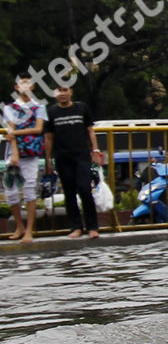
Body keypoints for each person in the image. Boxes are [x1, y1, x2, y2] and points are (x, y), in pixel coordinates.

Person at [43, 84, 103, 239]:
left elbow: (90, 131)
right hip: (62, 157)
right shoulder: (51, 112)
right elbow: (48, 137)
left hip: (81, 156)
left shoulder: (81, 108)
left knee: (85, 189)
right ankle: (76, 227)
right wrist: (48, 160)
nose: (62, 94)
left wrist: (95, 150)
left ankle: (92, 226)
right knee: (69, 192)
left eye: (65, 90)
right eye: (59, 91)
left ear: (71, 92)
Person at [3, 76, 49, 243]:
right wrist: (14, 152)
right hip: (14, 153)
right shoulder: (9, 108)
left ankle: (29, 229)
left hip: (31, 154)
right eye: (22, 83)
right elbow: (10, 130)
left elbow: (38, 129)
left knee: (29, 190)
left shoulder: (39, 107)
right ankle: (19, 226)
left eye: (28, 83)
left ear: (33, 86)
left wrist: (15, 132)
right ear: (16, 87)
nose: (25, 86)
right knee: (11, 192)